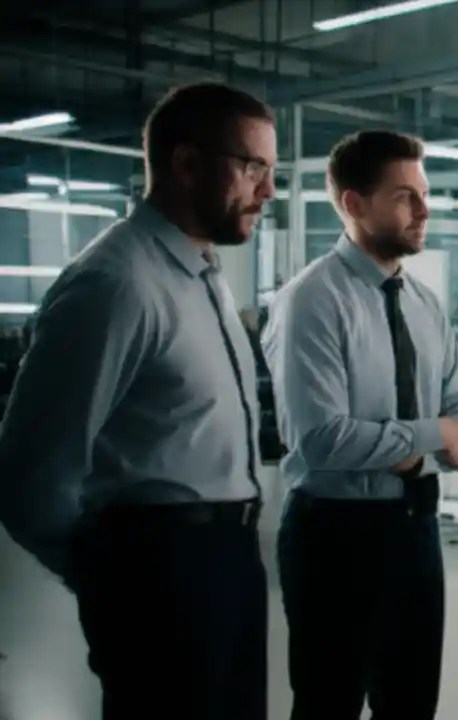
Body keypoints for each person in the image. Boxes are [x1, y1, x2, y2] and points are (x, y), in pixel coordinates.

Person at [0, 82, 276, 719]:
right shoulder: (115, 283)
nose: (266, 192)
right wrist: (109, 576)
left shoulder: (201, 275)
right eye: (252, 167)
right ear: (185, 164)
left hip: (231, 561)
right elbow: (30, 477)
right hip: (159, 576)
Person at [262, 130, 458, 719]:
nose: (424, 209)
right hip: (336, 536)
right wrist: (431, 437)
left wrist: (420, 439)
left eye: (425, 193)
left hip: (416, 529)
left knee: (410, 704)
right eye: (405, 196)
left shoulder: (423, 303)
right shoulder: (312, 301)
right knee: (329, 702)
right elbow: (324, 439)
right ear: (353, 204)